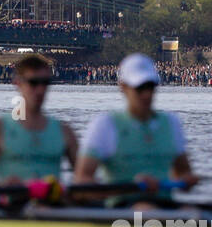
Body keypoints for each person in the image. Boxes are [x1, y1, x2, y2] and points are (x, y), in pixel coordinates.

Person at [74, 53, 196, 189]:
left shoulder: (171, 123)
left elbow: (184, 173)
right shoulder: (105, 125)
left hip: (163, 204)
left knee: (191, 210)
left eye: (150, 86)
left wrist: (186, 181)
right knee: (143, 210)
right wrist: (131, 186)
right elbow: (82, 179)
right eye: (140, 88)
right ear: (123, 87)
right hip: (126, 206)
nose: (147, 94)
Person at [0, 53, 77, 185]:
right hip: (12, 203)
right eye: (33, 83)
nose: (40, 90)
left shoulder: (64, 131)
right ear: (17, 83)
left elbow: (84, 178)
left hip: (52, 204)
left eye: (45, 83)